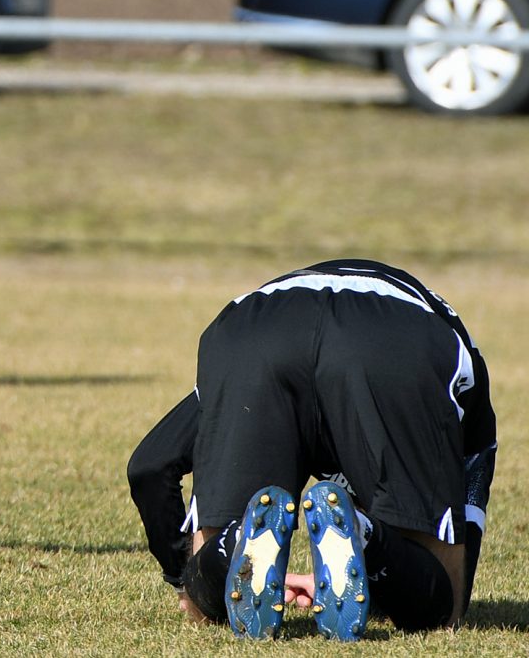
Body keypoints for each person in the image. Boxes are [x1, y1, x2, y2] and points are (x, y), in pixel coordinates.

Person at [127, 258, 496, 640]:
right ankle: (364, 533)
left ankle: (235, 542)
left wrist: (187, 580)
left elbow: (150, 466)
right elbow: (471, 484)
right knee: (439, 612)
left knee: (214, 596)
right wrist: (446, 593)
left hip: (257, 327)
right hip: (397, 334)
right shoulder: (462, 368)